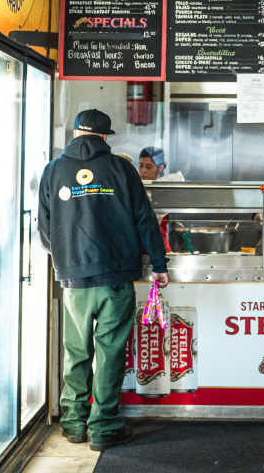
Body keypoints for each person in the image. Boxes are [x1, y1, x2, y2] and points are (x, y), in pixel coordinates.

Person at [38, 108, 169, 451]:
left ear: (76, 133)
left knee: (76, 351)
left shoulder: (53, 170)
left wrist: (66, 259)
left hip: (74, 282)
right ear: (105, 136)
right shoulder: (122, 168)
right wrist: (159, 264)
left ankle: (74, 423)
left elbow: (44, 228)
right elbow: (145, 219)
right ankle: (104, 426)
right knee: (110, 352)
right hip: (116, 278)